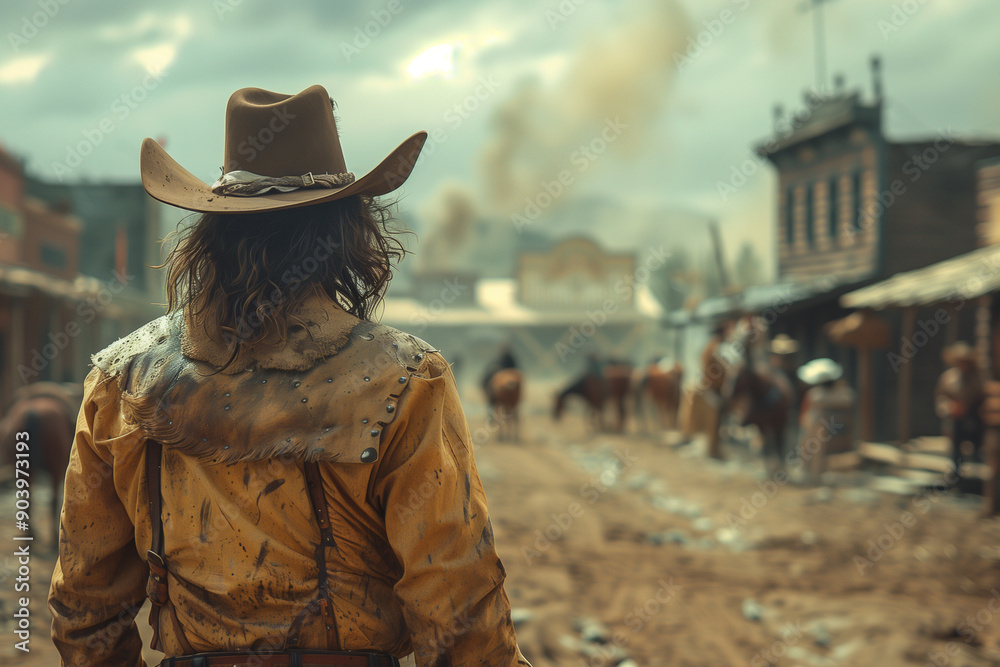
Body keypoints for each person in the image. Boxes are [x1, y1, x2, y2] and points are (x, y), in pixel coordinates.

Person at [48, 85, 531, 667]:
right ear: (348, 231)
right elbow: (459, 616)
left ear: (214, 228)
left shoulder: (119, 381)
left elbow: (84, 608)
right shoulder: (407, 380)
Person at [796, 358, 856, 481]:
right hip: (835, 427)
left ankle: (813, 472)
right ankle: (812, 471)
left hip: (827, 428)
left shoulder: (817, 395)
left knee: (814, 439)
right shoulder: (844, 393)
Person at [935, 341, 985, 485]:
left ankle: (977, 472)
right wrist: (950, 407)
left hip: (975, 418)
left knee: (978, 440)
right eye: (960, 361)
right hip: (955, 418)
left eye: (965, 361)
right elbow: (940, 400)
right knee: (955, 443)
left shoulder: (977, 378)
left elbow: (982, 396)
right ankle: (956, 473)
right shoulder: (948, 378)